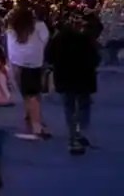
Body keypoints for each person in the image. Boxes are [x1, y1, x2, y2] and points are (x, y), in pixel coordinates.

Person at [45, 8, 99, 155]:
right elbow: (95, 58)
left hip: (64, 77)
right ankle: (79, 130)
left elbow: (49, 56)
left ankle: (73, 135)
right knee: (83, 105)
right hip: (84, 77)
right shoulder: (87, 38)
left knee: (68, 106)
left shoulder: (59, 38)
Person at [6, 1, 51, 140]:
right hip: (34, 62)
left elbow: (9, 45)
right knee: (33, 92)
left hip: (17, 62)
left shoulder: (12, 28)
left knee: (26, 92)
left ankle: (32, 118)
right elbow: (45, 39)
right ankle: (35, 121)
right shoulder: (39, 26)